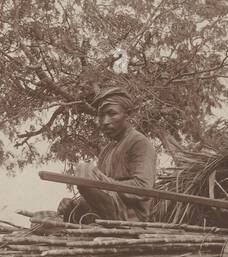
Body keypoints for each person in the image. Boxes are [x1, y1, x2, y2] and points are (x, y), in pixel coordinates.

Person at [57, 87, 158, 222]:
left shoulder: (139, 142)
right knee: (45, 218)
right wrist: (73, 203)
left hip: (130, 216)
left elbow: (143, 188)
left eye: (112, 114)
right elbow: (100, 193)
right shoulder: (107, 150)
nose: (105, 121)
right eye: (101, 116)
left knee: (84, 169)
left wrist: (104, 182)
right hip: (104, 211)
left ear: (128, 115)